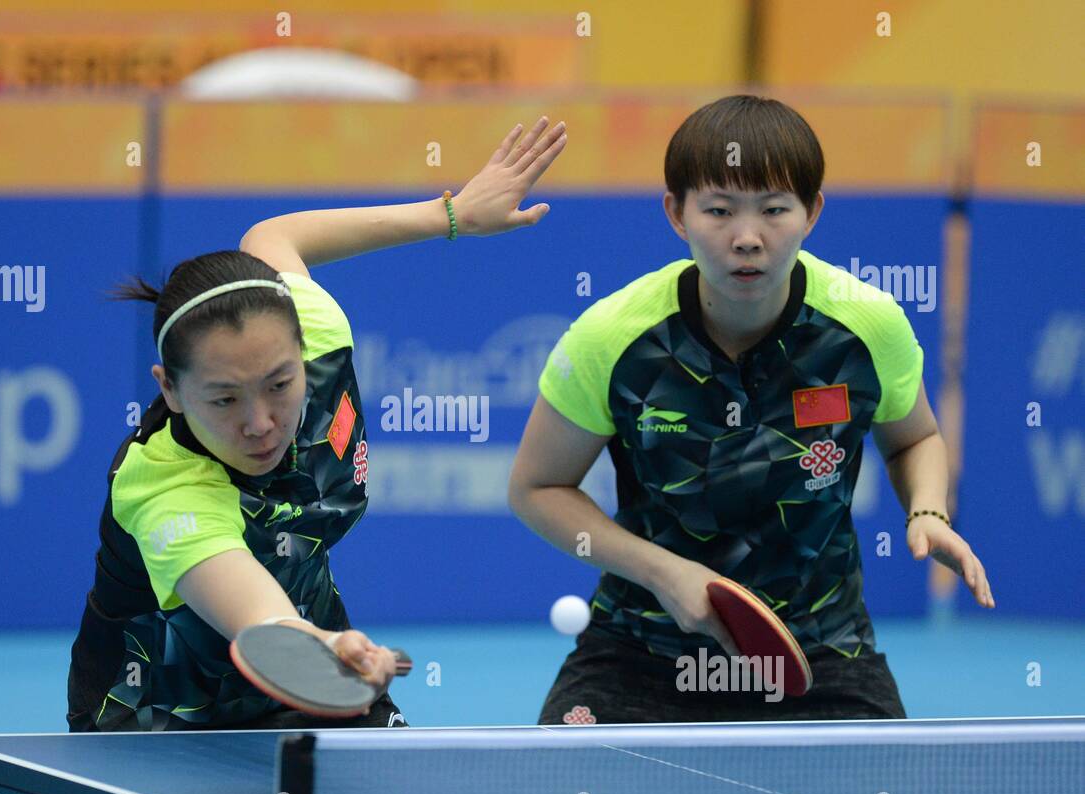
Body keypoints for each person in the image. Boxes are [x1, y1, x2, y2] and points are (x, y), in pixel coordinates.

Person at [68, 116, 568, 731]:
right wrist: (313, 646)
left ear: (303, 351)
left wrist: (452, 215)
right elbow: (257, 616)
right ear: (168, 388)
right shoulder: (165, 486)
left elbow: (271, 235)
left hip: (316, 669)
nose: (260, 423)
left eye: (279, 385)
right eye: (223, 400)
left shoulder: (319, 336)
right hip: (158, 714)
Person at [508, 95, 994, 724]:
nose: (747, 238)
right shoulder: (612, 338)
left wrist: (927, 510)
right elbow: (536, 487)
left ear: (812, 212)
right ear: (676, 215)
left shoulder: (866, 327)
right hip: (642, 649)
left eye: (773, 210)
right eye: (717, 210)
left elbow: (915, 438)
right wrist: (663, 572)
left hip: (821, 650)